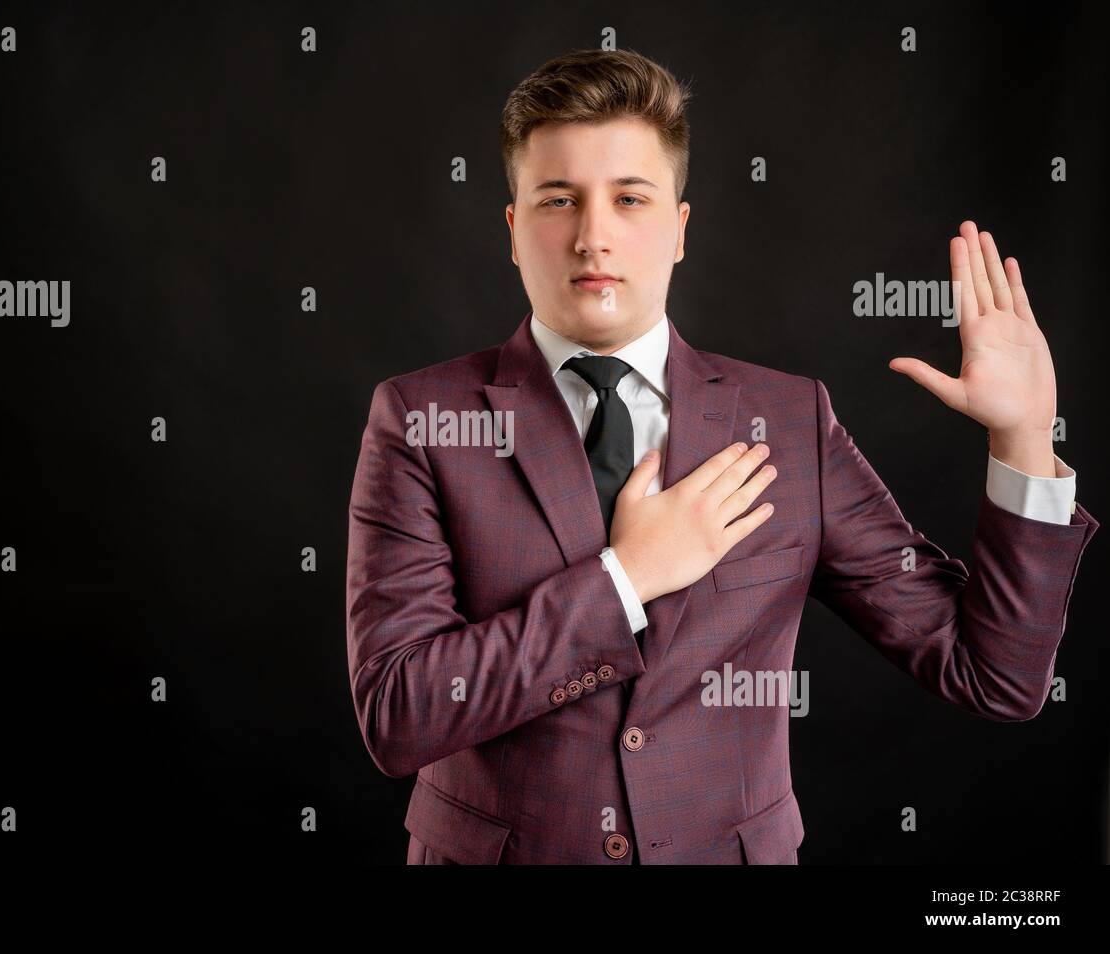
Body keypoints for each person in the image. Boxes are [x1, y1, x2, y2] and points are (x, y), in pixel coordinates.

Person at [345, 48, 1098, 864]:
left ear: (679, 229)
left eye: (630, 198)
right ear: (514, 229)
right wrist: (624, 579)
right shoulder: (422, 418)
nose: (594, 235)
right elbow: (399, 715)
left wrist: (1024, 439)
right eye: (559, 199)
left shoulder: (790, 421)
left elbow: (993, 676)